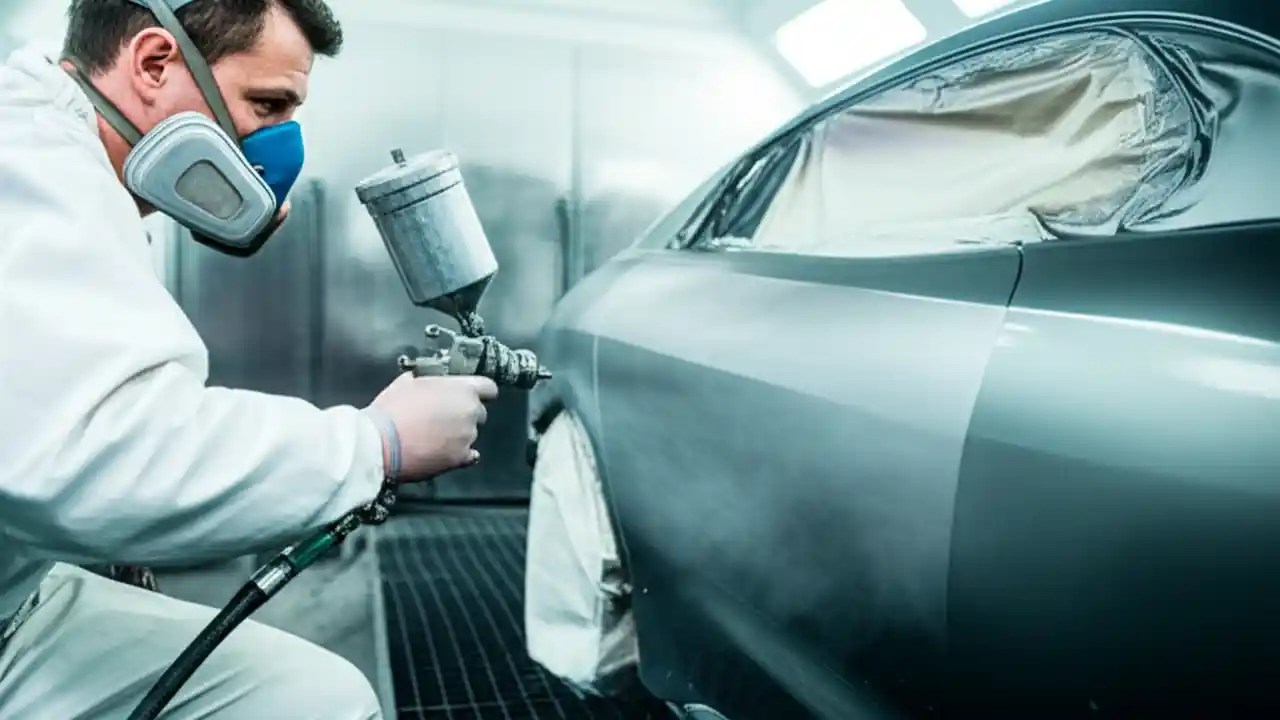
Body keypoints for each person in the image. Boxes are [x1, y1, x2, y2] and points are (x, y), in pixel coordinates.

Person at [0, 1, 497, 717]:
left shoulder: (68, 162)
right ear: (152, 64)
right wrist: (375, 444)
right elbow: (94, 456)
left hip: (20, 587)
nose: (278, 146)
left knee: (315, 695)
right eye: (267, 105)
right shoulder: (29, 171)